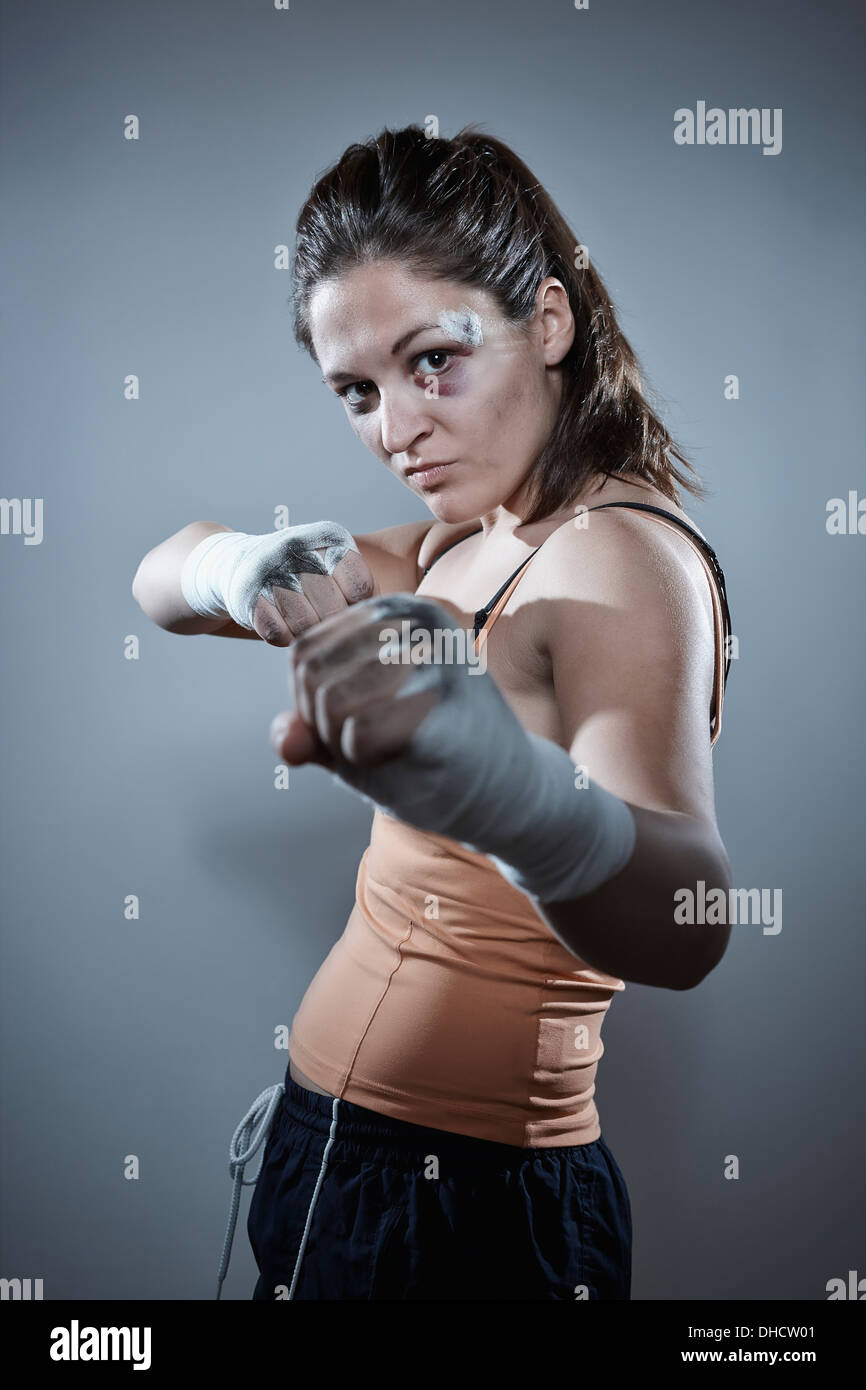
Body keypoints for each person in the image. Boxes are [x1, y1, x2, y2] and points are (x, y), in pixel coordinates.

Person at [132, 123, 734, 1301]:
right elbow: (159, 575)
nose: (393, 428)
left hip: (463, 1206)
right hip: (341, 1164)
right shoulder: (463, 536)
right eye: (355, 389)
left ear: (546, 324)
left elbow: (692, 918)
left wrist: (512, 797)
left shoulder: (614, 556)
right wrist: (242, 566)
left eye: (432, 362)